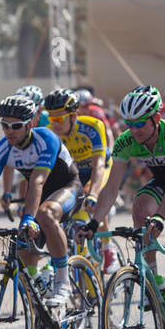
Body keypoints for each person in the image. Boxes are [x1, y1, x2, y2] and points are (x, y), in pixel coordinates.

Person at [0, 95, 81, 329]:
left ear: (30, 123)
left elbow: (37, 182)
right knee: (25, 254)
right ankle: (43, 322)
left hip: (68, 187)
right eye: (4, 125)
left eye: (16, 126)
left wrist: (28, 218)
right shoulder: (1, 149)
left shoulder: (46, 138)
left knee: (44, 215)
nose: (9, 131)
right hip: (42, 196)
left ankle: (63, 283)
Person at [81, 86, 165, 280]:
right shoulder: (126, 141)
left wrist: (160, 217)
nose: (134, 130)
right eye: (130, 124)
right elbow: (111, 188)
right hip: (163, 182)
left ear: (157, 119)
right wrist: (94, 223)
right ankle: (152, 281)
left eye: (141, 123)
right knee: (140, 209)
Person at [43, 89, 110, 239]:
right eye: (51, 119)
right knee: (76, 218)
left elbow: (98, 165)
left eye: (59, 119)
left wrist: (93, 193)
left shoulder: (92, 127)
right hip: (77, 174)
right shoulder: (49, 133)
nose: (54, 124)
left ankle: (108, 247)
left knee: (92, 199)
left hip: (99, 168)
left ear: (73, 116)